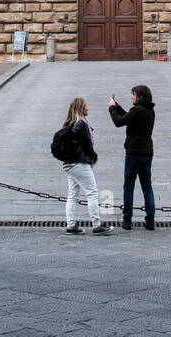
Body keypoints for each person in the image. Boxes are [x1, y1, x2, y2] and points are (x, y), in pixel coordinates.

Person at [59, 98, 113, 235]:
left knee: (72, 195)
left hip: (69, 164)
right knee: (92, 192)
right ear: (81, 108)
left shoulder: (68, 123)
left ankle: (71, 226)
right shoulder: (81, 124)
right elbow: (86, 145)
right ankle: (97, 225)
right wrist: (93, 156)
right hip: (79, 163)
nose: (88, 108)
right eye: (86, 106)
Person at [109, 85, 156, 230]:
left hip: (134, 154)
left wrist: (111, 108)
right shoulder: (149, 110)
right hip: (147, 153)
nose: (132, 97)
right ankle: (150, 221)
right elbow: (129, 117)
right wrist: (118, 107)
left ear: (140, 96)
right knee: (147, 187)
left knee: (128, 187)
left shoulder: (137, 110)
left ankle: (127, 220)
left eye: (134, 94)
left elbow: (119, 122)